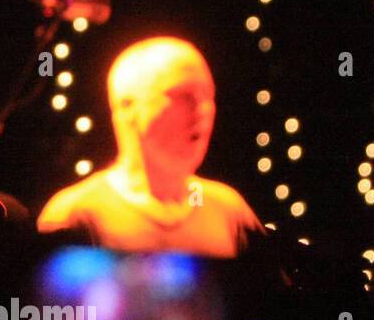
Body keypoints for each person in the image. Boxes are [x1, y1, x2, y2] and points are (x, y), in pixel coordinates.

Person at [37, 36, 262, 257]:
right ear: (128, 107)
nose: (201, 109)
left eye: (207, 95)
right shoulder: (77, 213)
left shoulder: (228, 211)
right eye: (183, 95)